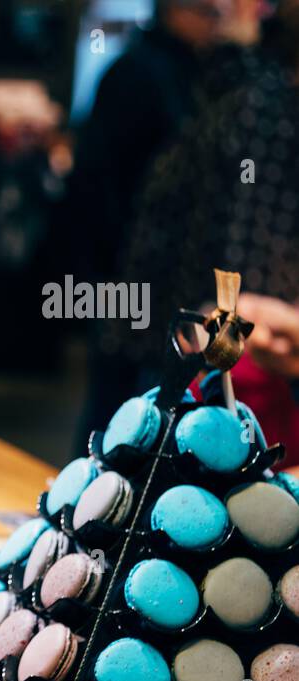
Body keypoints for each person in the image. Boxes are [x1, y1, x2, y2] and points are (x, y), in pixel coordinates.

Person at [123, 1, 299, 466]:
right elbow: (242, 252)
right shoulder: (263, 102)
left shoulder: (252, 95)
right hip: (210, 345)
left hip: (204, 335)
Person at [67, 0, 237, 447]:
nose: (218, 23)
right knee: (117, 403)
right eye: (210, 13)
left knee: (138, 400)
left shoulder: (197, 75)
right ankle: (85, 502)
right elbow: (98, 182)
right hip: (132, 273)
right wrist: (106, 275)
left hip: (155, 277)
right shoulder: (140, 74)